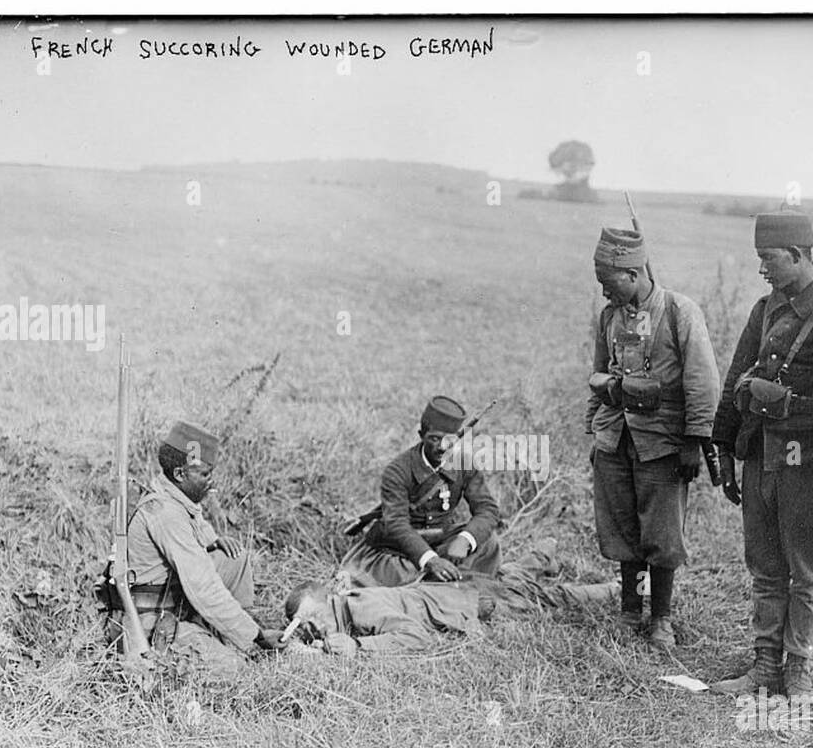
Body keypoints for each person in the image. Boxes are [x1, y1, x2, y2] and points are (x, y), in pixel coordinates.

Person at [709, 212, 813, 698]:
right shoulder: (765, 310)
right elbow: (736, 374)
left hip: (810, 467)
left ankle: (798, 671)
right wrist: (725, 446)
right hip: (762, 459)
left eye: (769, 259)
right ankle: (764, 668)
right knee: (763, 566)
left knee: (805, 571)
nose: (762, 269)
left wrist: (789, 405)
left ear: (800, 255)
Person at [587, 226, 721, 650]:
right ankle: (631, 608)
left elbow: (703, 382)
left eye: (610, 284)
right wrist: (595, 431)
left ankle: (660, 618)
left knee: (661, 533)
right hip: (615, 438)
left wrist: (693, 440)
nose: (605, 293)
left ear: (632, 273)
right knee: (622, 525)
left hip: (663, 443)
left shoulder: (680, 312)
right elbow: (597, 373)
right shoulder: (610, 317)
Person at [104, 420, 281, 680]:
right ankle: (240, 640)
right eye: (205, 475)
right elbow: (203, 588)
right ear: (180, 474)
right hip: (153, 624)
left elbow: (195, 521)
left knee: (233, 558)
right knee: (236, 671)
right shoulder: (167, 514)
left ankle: (230, 634)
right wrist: (255, 635)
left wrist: (212, 539)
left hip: (172, 602)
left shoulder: (171, 493)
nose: (211, 481)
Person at [286, 540, 618, 656]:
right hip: (453, 592)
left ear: (330, 599)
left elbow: (414, 637)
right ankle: (539, 557)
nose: (316, 629)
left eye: (315, 619)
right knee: (506, 581)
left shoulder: (360, 610)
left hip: (471, 605)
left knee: (542, 599)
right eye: (307, 627)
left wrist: (359, 647)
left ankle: (614, 588)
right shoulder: (347, 605)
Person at [339, 395, 501, 587]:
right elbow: (396, 524)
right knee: (404, 577)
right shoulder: (398, 470)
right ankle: (444, 583)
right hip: (398, 549)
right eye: (434, 439)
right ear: (421, 435)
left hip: (441, 540)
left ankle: (449, 581)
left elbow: (488, 509)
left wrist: (464, 541)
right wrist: (430, 560)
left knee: (488, 542)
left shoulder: (464, 464)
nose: (442, 447)